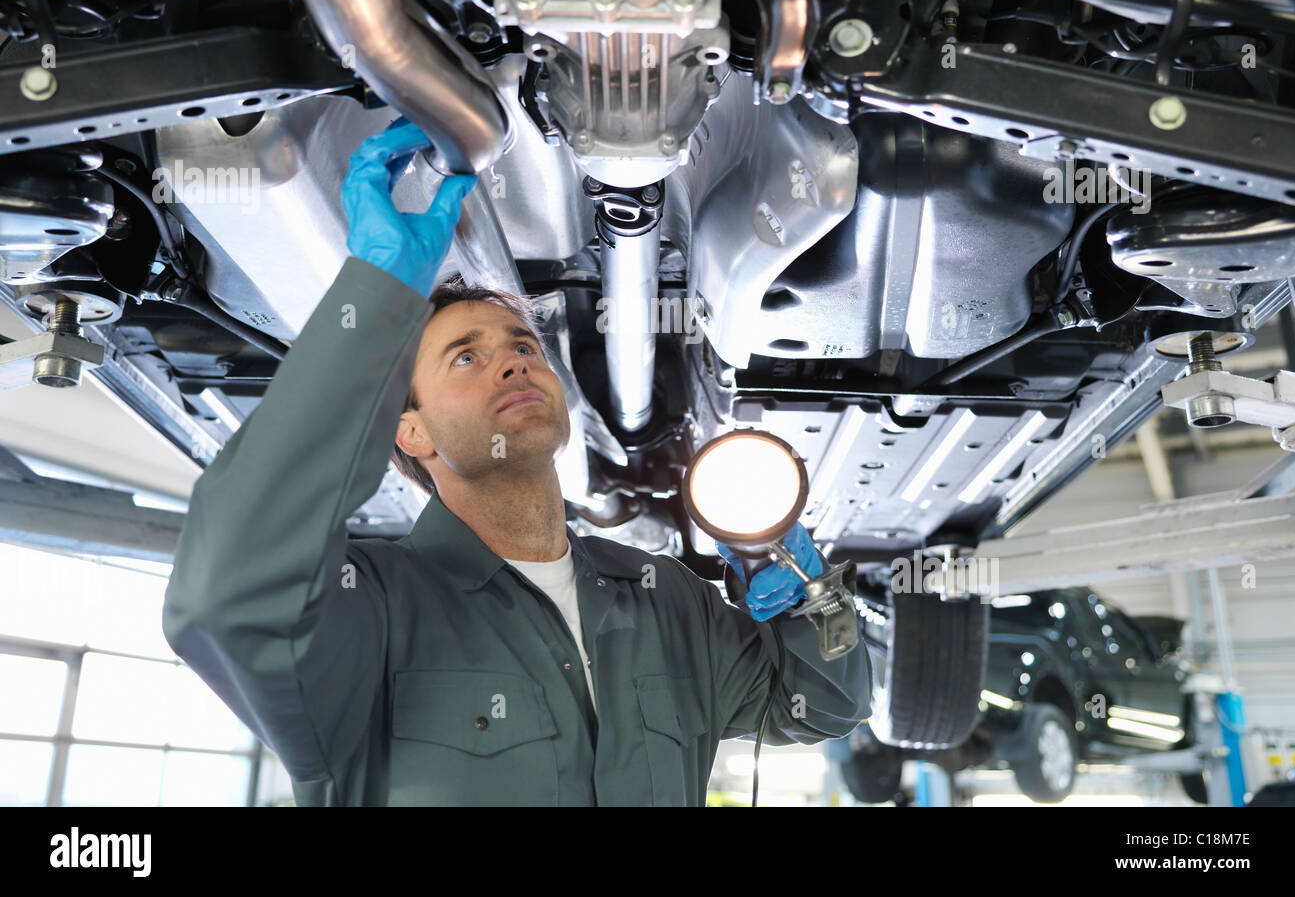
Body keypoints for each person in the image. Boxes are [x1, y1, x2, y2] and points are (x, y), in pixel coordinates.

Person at [162, 116, 872, 806]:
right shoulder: (364, 611)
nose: (511, 363)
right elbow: (228, 592)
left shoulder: (667, 601)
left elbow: (821, 707)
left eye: (523, 346)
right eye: (466, 356)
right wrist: (377, 302)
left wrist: (811, 596)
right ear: (410, 431)